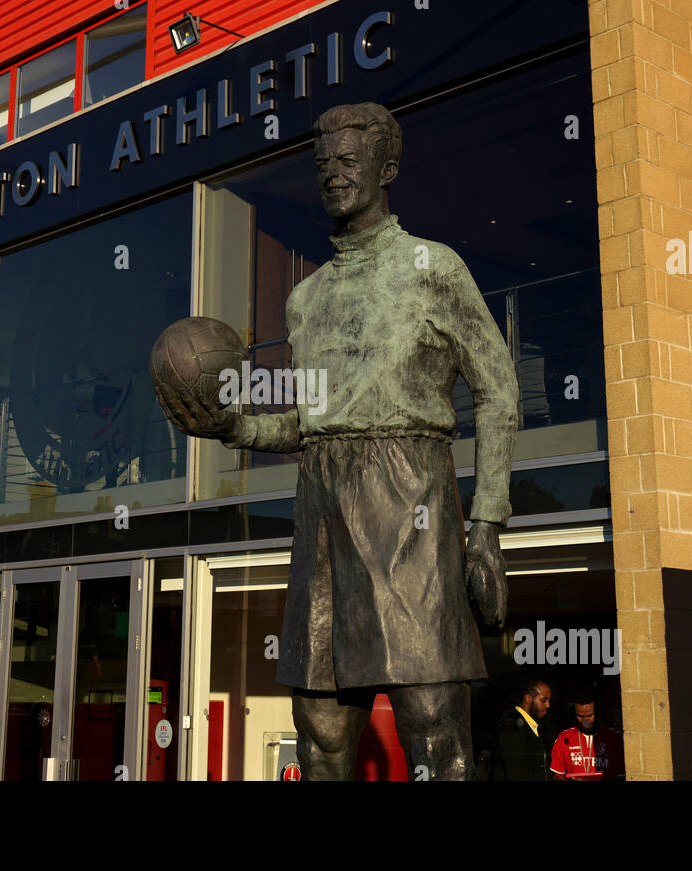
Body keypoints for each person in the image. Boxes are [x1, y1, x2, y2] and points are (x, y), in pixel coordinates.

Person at [155, 102, 519, 780]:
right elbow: (308, 419)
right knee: (319, 729)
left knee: (433, 729)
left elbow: (500, 389)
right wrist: (233, 426)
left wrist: (488, 524)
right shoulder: (307, 297)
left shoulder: (432, 267)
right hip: (322, 503)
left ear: (387, 169)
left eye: (348, 162)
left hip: (410, 494)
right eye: (324, 165)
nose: (333, 176)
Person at [549, 686, 624, 781]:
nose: (585, 721)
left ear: (598, 711)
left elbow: (622, 776)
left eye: (590, 715)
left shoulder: (615, 738)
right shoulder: (564, 738)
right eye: (580, 716)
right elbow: (557, 775)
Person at [488, 677, 552, 781]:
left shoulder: (530, 726)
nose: (548, 705)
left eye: (548, 701)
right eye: (543, 700)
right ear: (528, 698)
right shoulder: (513, 728)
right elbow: (513, 773)